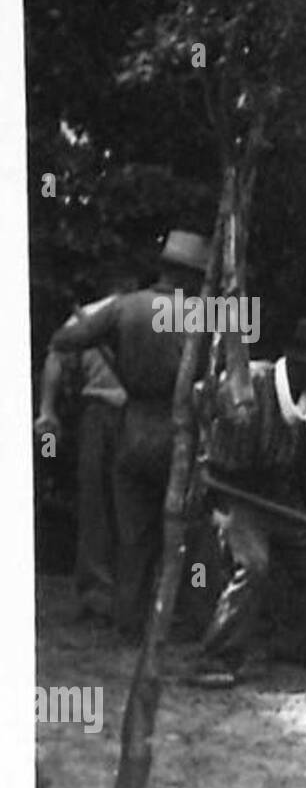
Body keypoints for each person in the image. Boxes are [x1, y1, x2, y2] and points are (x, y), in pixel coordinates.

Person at [51, 230, 210, 637]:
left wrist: (106, 335)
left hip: (134, 429)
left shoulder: (125, 308)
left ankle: (129, 622)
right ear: (192, 276)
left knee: (133, 534)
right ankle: (196, 618)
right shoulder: (206, 312)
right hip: (181, 433)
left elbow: (64, 339)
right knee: (189, 534)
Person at [190, 319, 306, 687]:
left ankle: (293, 647)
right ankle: (216, 657)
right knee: (253, 566)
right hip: (230, 494)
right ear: (305, 363)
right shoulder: (249, 381)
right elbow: (194, 409)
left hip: (277, 499)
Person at [34, 264, 135, 620]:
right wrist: (47, 413)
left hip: (133, 414)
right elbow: (57, 355)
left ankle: (118, 594)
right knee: (102, 500)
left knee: (124, 503)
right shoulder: (153, 313)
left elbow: (56, 356)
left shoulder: (102, 315)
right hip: (105, 412)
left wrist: (48, 410)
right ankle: (102, 594)